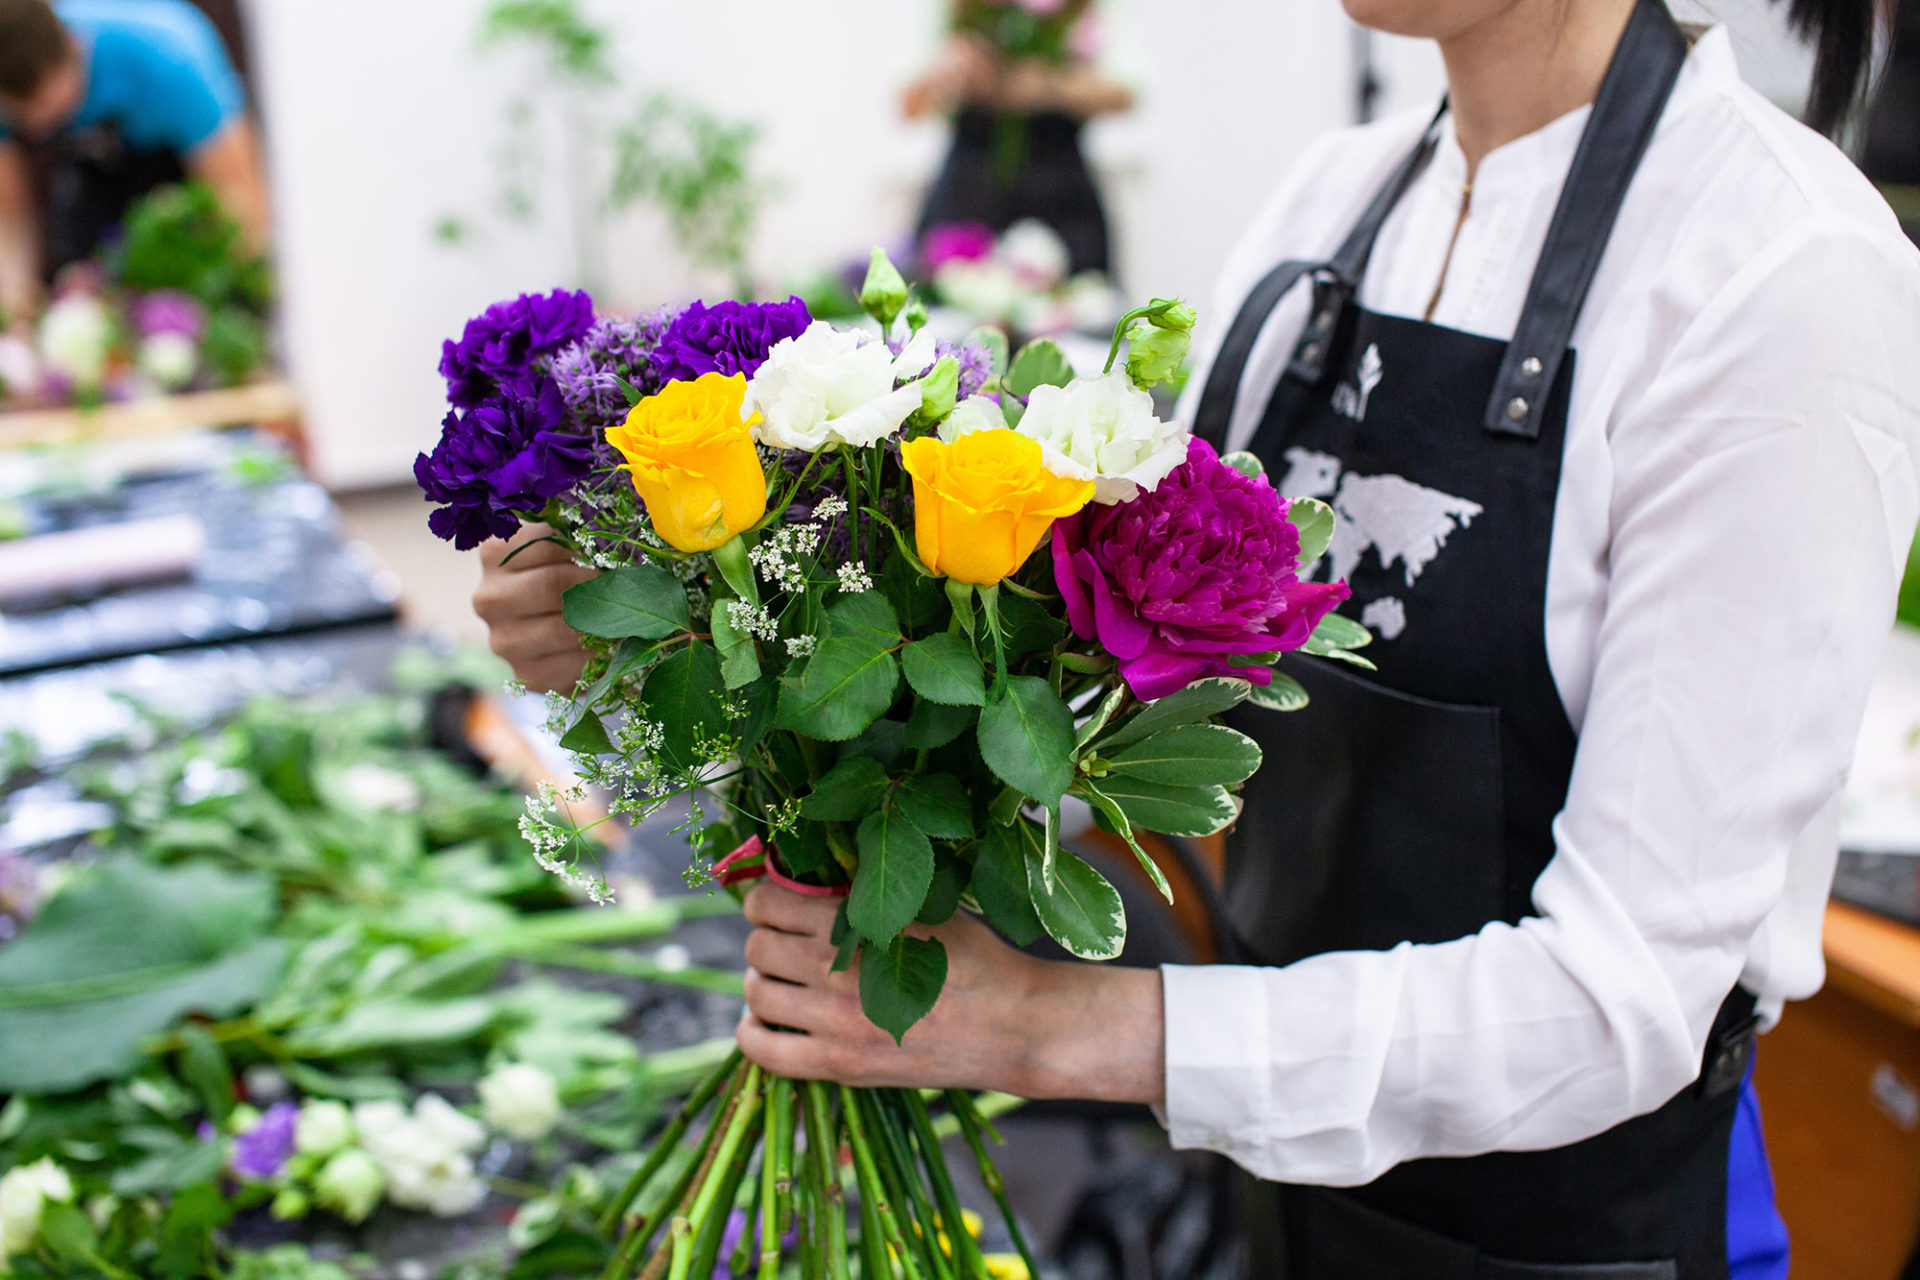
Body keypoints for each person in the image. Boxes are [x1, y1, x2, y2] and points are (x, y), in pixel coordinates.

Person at [475, 0, 1920, 1272]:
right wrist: (656, 618)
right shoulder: (1328, 209)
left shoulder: (1775, 273)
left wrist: (1050, 1029)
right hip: (1274, 1182)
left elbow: (1617, 1002)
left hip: (1570, 1238)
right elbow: (1075, 669)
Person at [0, 0, 268, 332]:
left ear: (76, 47)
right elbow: (10, 214)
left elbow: (241, 206)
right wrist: (17, 313)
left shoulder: (167, 56)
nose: (40, 125)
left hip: (176, 179)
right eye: (25, 116)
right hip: (86, 192)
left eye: (50, 105)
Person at [903, 5, 1132, 276]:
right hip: (968, 202)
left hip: (1061, 199)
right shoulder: (957, 13)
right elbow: (909, 107)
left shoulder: (1081, 14)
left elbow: (1126, 95)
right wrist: (948, 73)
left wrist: (1049, 85)